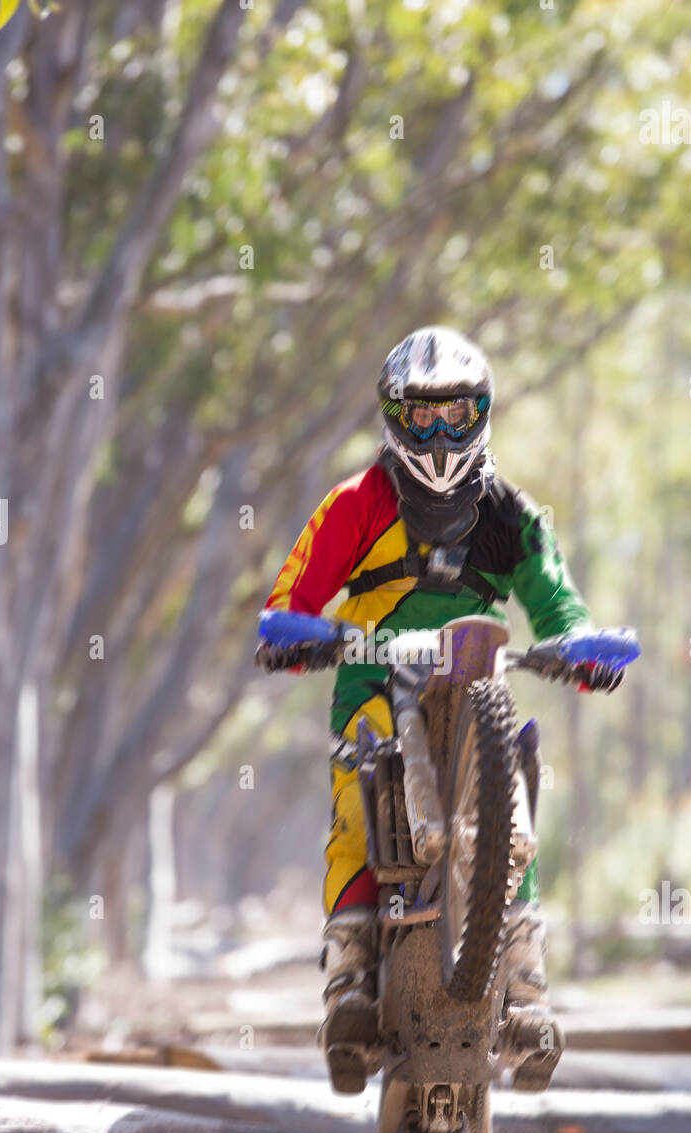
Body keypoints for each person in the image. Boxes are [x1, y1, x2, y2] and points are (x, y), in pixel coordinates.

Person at [257, 325, 620, 1093]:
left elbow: (558, 602)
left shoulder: (511, 512)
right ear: (393, 416)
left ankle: (524, 989)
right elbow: (294, 592)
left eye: (455, 414)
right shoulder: (356, 502)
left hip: (476, 680)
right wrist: (292, 631)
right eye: (420, 416)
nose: (439, 432)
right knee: (356, 812)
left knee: (514, 808)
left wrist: (582, 648)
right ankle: (349, 984)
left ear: (482, 411)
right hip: (371, 678)